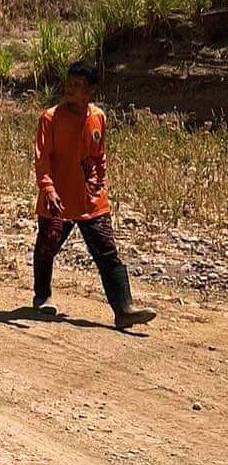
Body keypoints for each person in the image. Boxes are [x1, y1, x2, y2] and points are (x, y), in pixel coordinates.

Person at [33, 59, 155, 330]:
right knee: (47, 248)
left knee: (107, 253)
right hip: (57, 200)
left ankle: (124, 309)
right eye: (69, 83)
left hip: (91, 200)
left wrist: (99, 185)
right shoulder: (50, 118)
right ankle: (42, 297)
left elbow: (99, 158)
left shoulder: (98, 117)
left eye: (77, 85)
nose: (70, 89)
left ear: (90, 92)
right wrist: (48, 188)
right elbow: (42, 160)